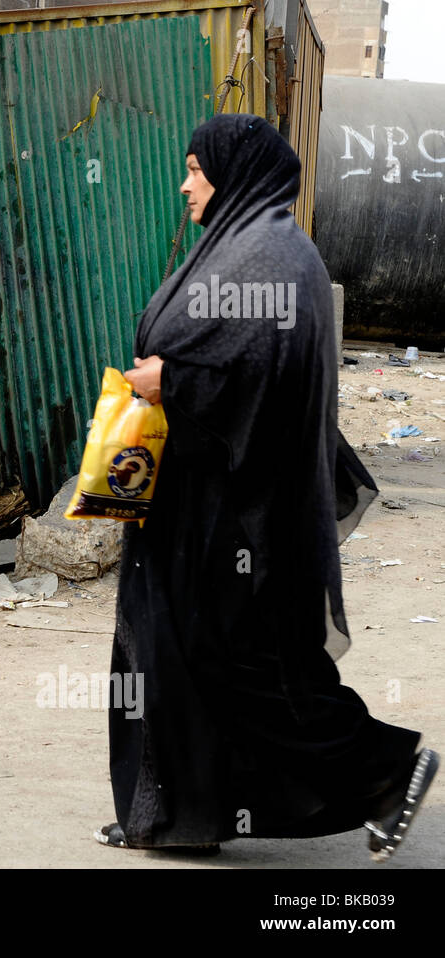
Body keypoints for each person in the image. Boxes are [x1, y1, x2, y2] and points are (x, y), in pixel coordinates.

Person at [96, 114, 437, 860]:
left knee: (239, 663)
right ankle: (179, 817)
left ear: (235, 174)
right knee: (171, 657)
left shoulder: (272, 257)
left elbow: (265, 381)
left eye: (196, 169)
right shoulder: (246, 246)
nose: (185, 184)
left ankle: (387, 768)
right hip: (192, 500)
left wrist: (174, 377)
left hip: (233, 513)